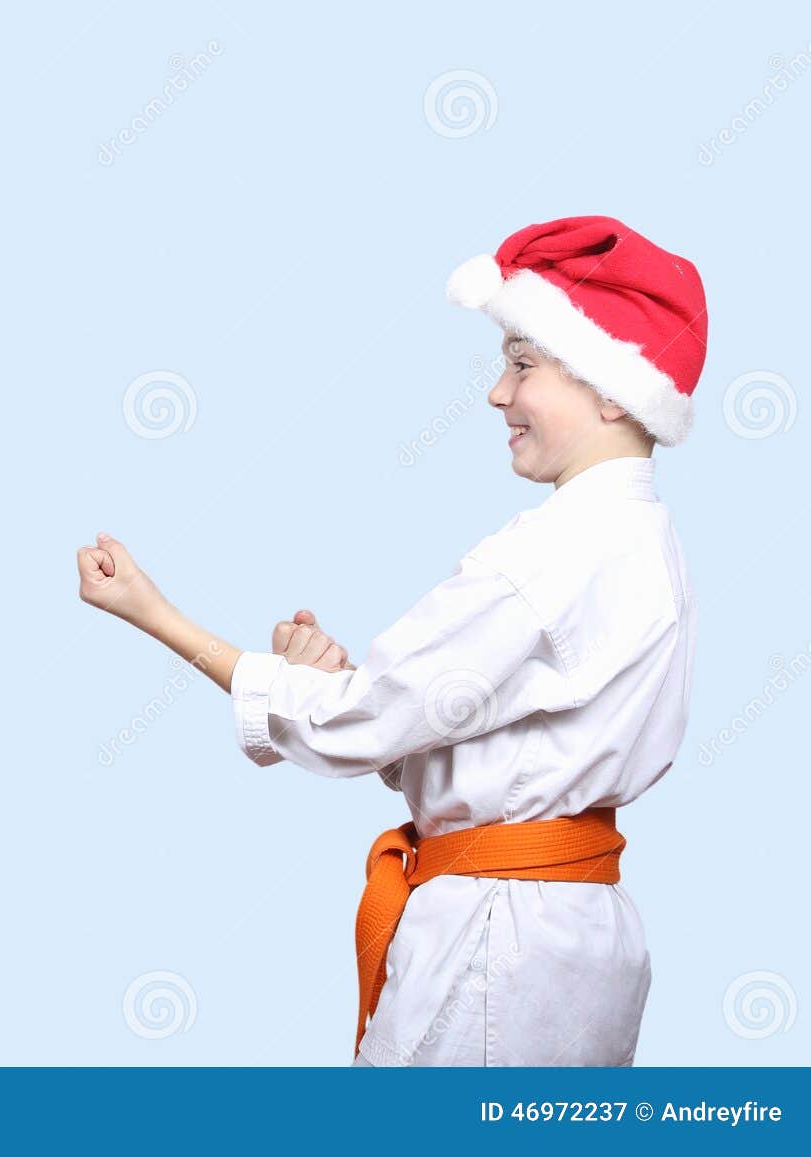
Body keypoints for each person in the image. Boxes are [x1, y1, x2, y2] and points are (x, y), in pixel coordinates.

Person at [75, 216, 705, 1066]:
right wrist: (351, 694)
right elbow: (463, 737)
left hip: (496, 946)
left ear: (610, 389)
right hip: (579, 932)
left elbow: (356, 722)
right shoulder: (644, 540)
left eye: (522, 364)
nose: (497, 393)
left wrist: (157, 615)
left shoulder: (550, 554)